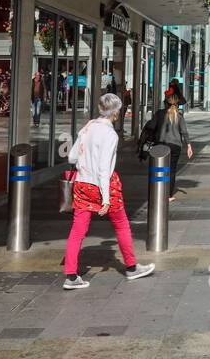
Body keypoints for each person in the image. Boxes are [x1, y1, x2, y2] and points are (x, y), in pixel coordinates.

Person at [63, 92, 156, 290]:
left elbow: (71, 157)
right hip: (103, 185)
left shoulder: (87, 128)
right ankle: (131, 267)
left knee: (77, 230)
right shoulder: (110, 134)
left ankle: (71, 275)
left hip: (81, 183)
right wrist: (105, 198)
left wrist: (85, 160)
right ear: (116, 113)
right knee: (121, 225)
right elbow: (104, 169)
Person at [144, 93, 193, 195]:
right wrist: (189, 146)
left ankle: (159, 193)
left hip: (161, 145)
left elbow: (151, 127)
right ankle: (169, 194)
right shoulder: (179, 116)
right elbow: (184, 131)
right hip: (176, 146)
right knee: (172, 170)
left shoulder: (159, 114)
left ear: (165, 103)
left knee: (160, 169)